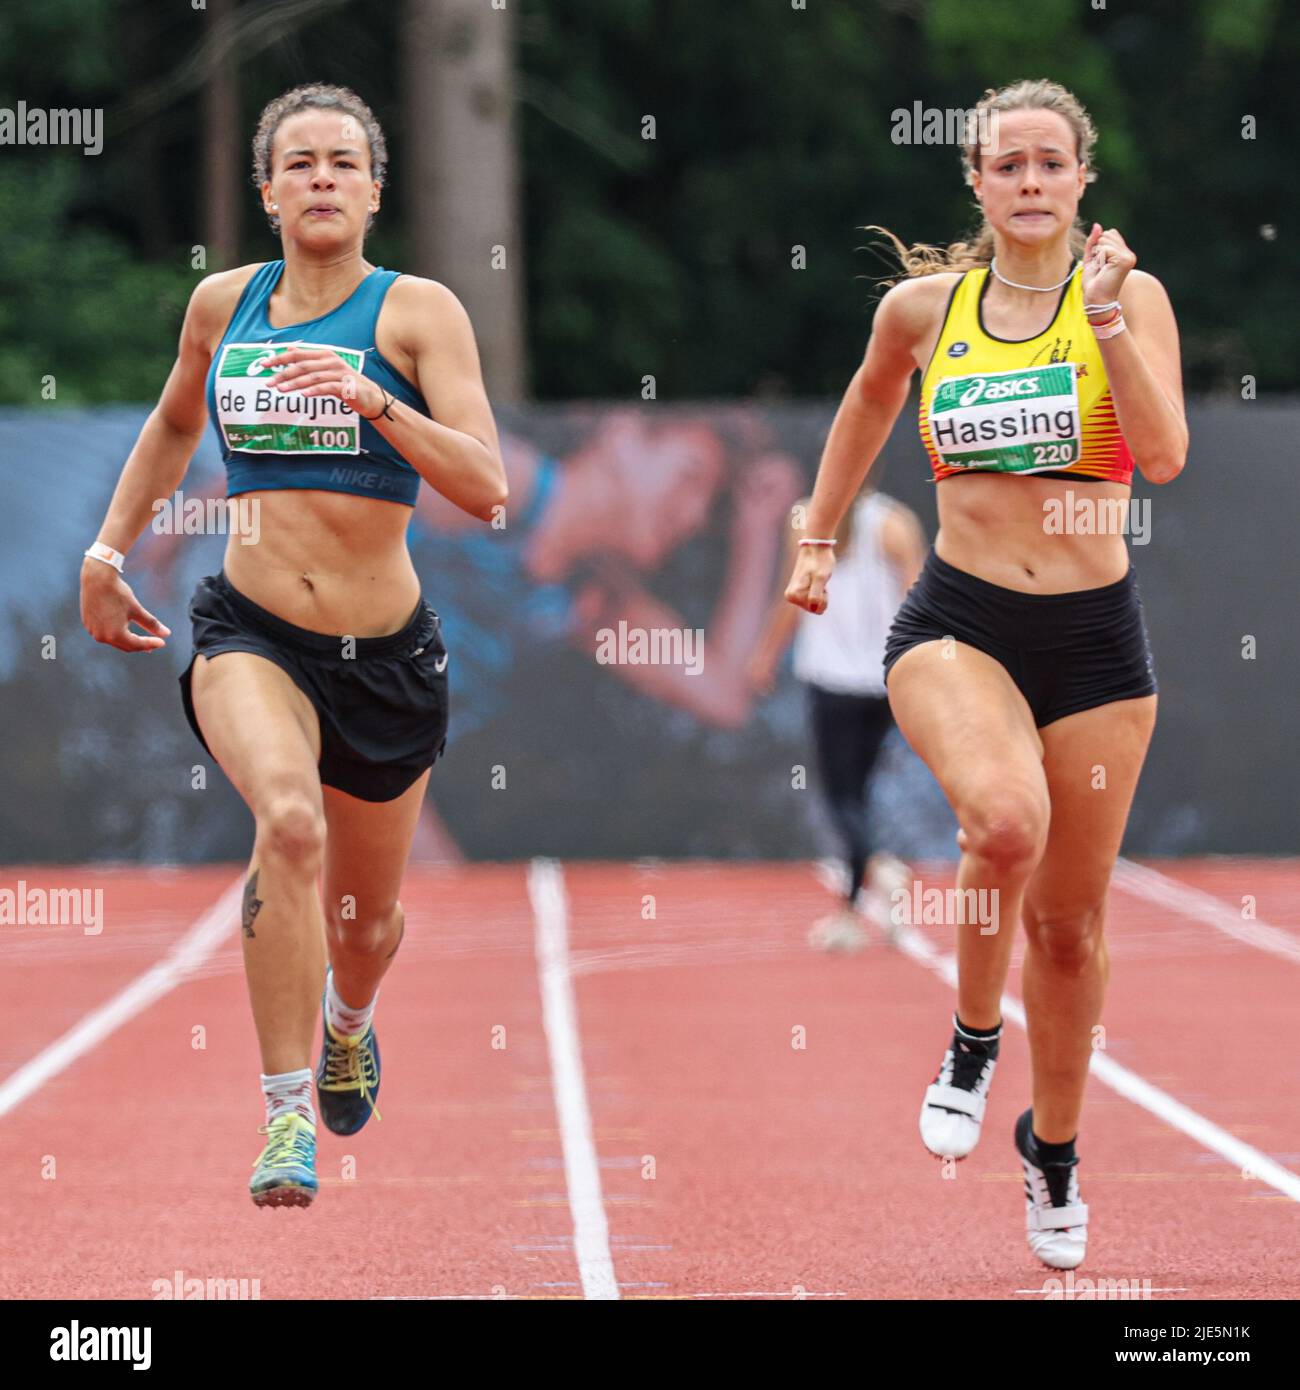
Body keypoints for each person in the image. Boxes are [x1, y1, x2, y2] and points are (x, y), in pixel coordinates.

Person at [79, 84, 507, 1207]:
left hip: (385, 654)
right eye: (299, 164)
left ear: (374, 190)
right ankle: (281, 1120)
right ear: (267, 192)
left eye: (342, 163)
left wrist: (376, 401)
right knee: (285, 816)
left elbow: (487, 484)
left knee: (366, 928)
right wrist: (108, 551)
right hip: (249, 626)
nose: (321, 179)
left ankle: (347, 1022)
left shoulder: (419, 313)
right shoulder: (225, 305)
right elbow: (175, 424)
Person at [782, 79, 1186, 1268]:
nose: (1026, 183)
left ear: (1079, 180)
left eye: (1047, 164)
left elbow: (1160, 454)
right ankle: (969, 1037)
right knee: (1002, 822)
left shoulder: (1128, 298)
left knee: (1066, 931)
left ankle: (1050, 1150)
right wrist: (818, 532)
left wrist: (1107, 320)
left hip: (1096, 644)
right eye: (1004, 164)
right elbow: (865, 405)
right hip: (959, 621)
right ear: (974, 180)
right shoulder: (924, 311)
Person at [748, 475, 924, 950]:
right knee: (859, 794)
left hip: (831, 681)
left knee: (842, 798)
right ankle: (862, 890)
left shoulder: (807, 519)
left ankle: (863, 889)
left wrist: (764, 654)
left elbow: (793, 595)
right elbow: (918, 599)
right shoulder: (895, 521)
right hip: (882, 679)